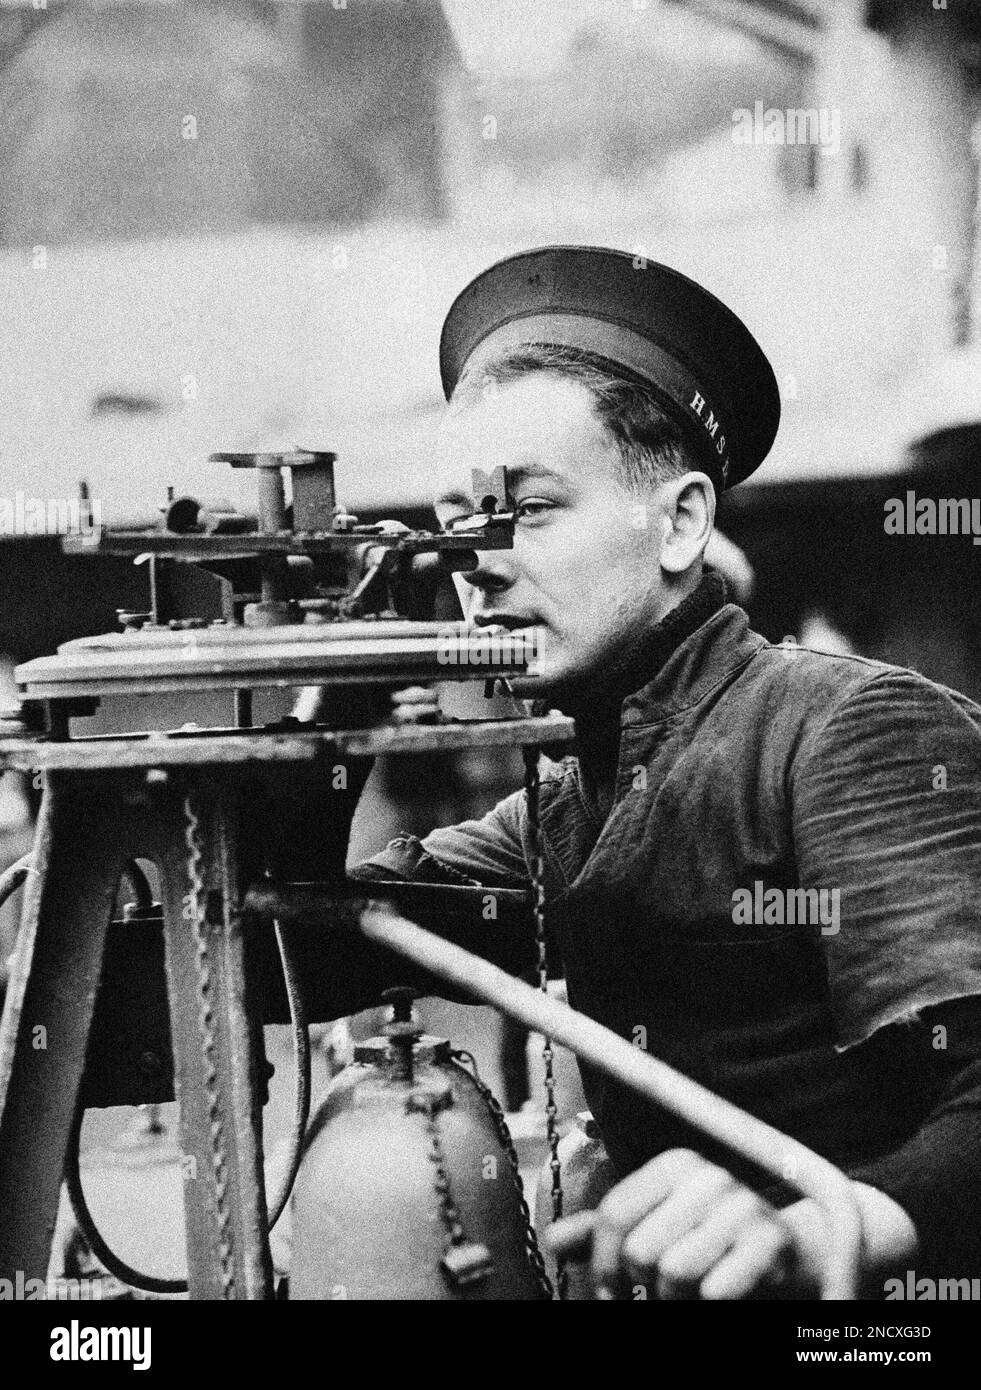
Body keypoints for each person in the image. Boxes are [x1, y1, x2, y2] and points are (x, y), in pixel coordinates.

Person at [335, 246, 981, 1300]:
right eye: (458, 525)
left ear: (681, 522)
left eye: (529, 510)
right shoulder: (555, 814)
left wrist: (825, 1228)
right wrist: (318, 691)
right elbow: (298, 941)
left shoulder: (842, 730)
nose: (475, 562)